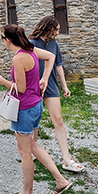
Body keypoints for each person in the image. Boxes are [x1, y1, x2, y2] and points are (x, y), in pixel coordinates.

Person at [0, 24, 72, 194]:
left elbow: (20, 89)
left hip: (25, 109)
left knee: (25, 152)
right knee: (33, 145)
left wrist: (1, 80)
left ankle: (27, 191)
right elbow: (50, 57)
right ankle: (60, 180)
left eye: (2, 38)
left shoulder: (19, 58)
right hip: (36, 105)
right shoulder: (32, 51)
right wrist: (44, 78)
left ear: (8, 41)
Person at [29, 16, 85, 173]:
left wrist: (65, 86)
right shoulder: (32, 43)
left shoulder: (54, 44)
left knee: (58, 120)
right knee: (34, 121)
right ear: (49, 28)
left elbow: (58, 66)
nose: (59, 33)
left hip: (51, 85)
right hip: (34, 86)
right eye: (57, 29)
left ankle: (67, 160)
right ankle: (33, 150)